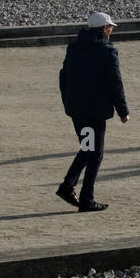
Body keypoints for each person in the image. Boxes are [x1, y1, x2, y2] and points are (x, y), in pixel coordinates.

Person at [56, 12, 129, 212]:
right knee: (94, 154)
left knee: (88, 148)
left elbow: (63, 77)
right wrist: (123, 110)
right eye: (110, 27)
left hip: (77, 109)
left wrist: (68, 102)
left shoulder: (73, 48)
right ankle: (85, 198)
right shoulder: (107, 52)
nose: (111, 30)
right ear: (104, 29)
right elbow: (115, 83)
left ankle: (68, 186)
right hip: (94, 111)